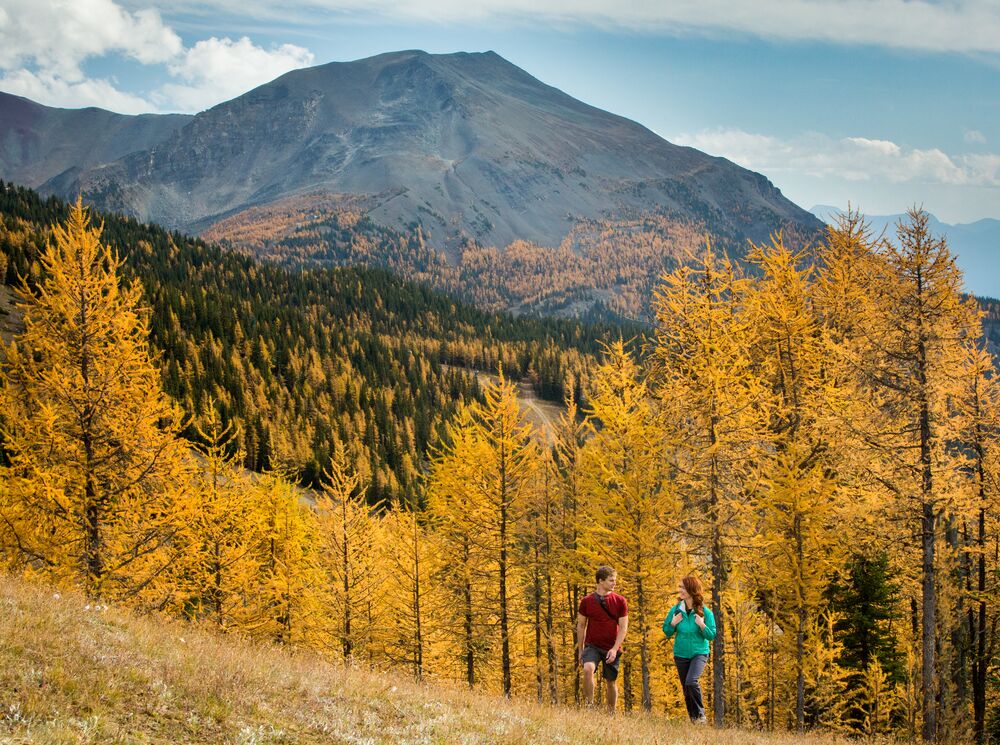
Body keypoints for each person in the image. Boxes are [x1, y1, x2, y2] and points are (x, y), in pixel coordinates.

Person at [663, 575, 716, 724]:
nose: (680, 590)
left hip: (699, 652)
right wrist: (672, 624)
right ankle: (694, 720)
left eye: (683, 588)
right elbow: (666, 631)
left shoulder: (705, 613)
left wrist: (702, 625)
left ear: (692, 590)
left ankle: (701, 716)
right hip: (680, 653)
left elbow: (711, 635)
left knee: (692, 681)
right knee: (686, 687)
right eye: (680, 587)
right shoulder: (675, 610)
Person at [577, 565, 629, 713]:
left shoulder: (620, 601)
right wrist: (581, 650)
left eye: (615, 580)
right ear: (600, 581)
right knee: (588, 669)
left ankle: (611, 712)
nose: (614, 583)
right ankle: (589, 705)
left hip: (612, 647)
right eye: (611, 580)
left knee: (611, 682)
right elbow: (581, 626)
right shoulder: (587, 601)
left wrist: (614, 649)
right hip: (592, 645)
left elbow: (623, 628)